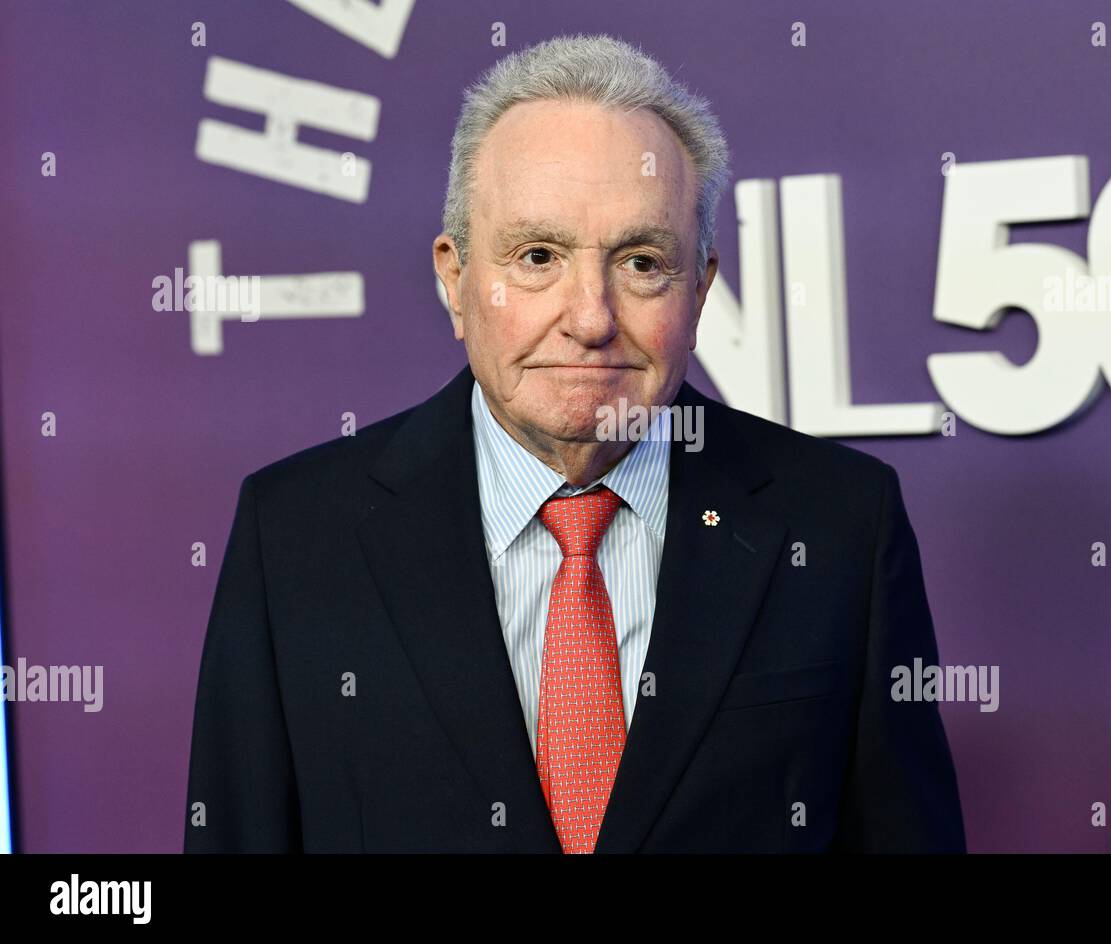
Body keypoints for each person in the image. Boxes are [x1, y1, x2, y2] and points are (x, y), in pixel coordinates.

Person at [184, 33, 965, 853]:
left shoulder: (839, 525)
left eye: (640, 262)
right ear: (455, 280)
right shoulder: (298, 537)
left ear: (700, 289)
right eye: (538, 256)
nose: (590, 318)